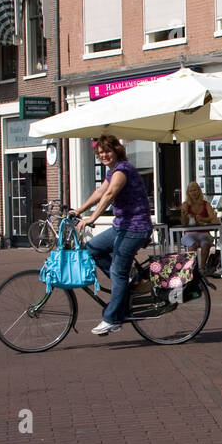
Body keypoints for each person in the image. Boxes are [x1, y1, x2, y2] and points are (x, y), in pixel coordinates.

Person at [76, 136, 154, 336]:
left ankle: (112, 319)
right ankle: (125, 288)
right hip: (121, 226)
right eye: (100, 152)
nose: (103, 155)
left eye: (107, 151)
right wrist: (79, 210)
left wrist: (91, 218)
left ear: (117, 151)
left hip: (135, 228)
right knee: (92, 248)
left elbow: (109, 195)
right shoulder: (112, 172)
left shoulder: (122, 170)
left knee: (118, 272)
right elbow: (100, 191)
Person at [179, 180, 220, 274]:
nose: (193, 192)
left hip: (204, 233)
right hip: (189, 233)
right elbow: (183, 223)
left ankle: (201, 268)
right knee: (192, 244)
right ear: (188, 193)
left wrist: (202, 219)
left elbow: (212, 217)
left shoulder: (206, 204)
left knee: (205, 244)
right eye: (191, 191)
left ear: (199, 190)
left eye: (195, 190)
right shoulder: (186, 204)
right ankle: (190, 268)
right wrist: (184, 215)